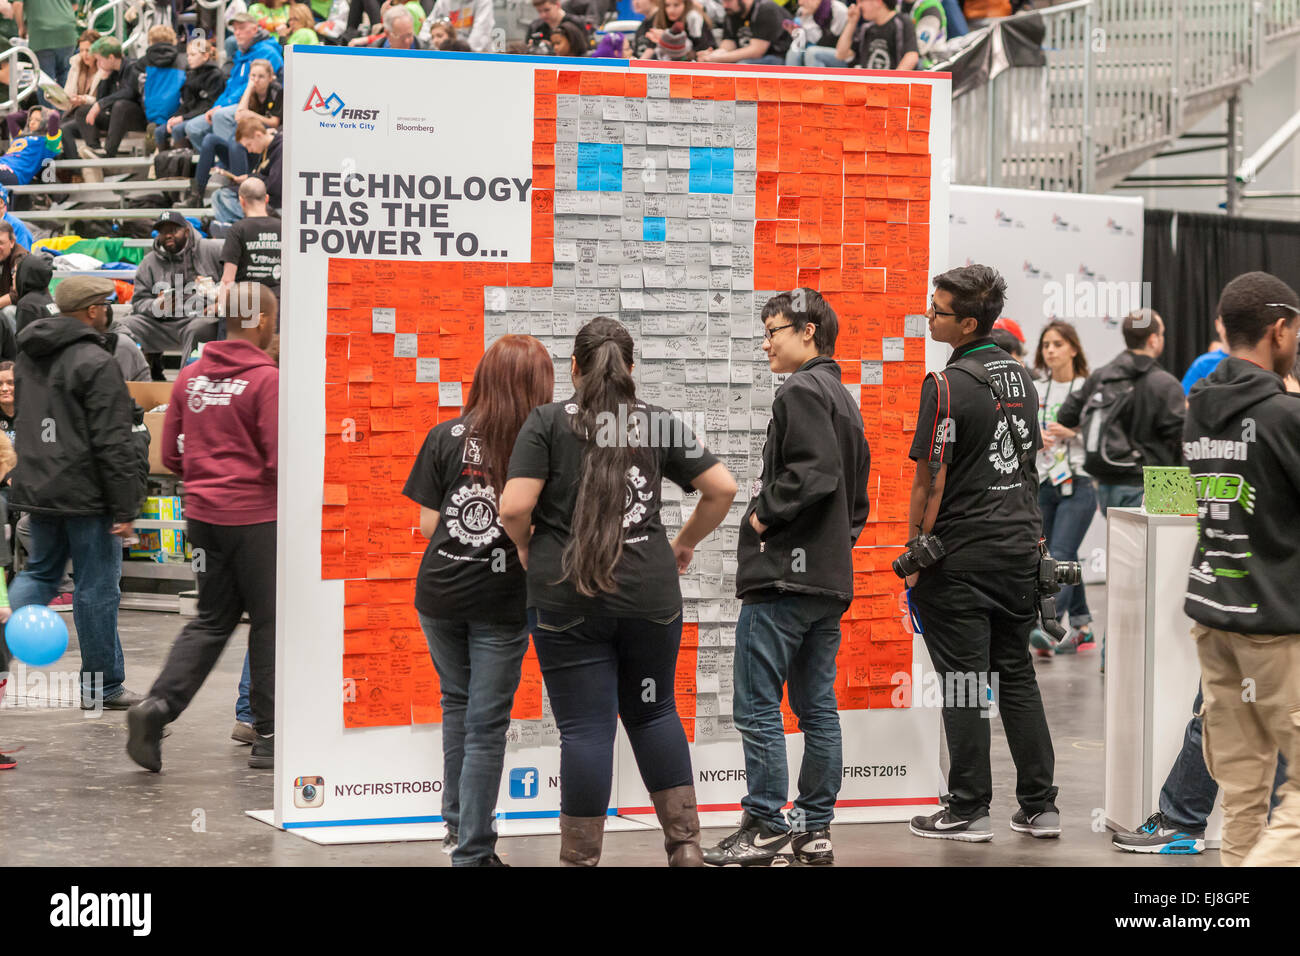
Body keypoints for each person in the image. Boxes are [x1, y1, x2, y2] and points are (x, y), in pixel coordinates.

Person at [500, 317, 738, 866]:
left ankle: (580, 860)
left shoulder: (545, 423)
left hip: (567, 599)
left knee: (585, 730)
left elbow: (513, 507)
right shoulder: (656, 423)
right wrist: (681, 544)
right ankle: (685, 849)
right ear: (631, 369)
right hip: (649, 600)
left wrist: (525, 546)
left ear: (576, 369)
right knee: (654, 714)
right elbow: (722, 489)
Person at [702, 290, 870, 867]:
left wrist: (761, 515)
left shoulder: (800, 389)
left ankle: (766, 824)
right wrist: (829, 551)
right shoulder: (844, 398)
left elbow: (814, 474)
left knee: (756, 705)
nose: (766, 342)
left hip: (782, 581)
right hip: (826, 582)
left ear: (808, 331)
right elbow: (857, 505)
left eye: (774, 330)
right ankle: (814, 828)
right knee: (816, 706)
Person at [903, 264, 1060, 843]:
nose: (930, 316)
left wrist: (914, 554)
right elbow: (1026, 466)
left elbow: (931, 479)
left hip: (960, 558)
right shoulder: (1021, 376)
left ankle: (968, 807)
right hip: (1019, 549)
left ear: (968, 322)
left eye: (939, 310)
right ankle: (1041, 807)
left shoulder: (944, 386)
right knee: (1015, 674)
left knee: (966, 682)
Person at [402, 335, 553, 866]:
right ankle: (473, 851)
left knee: (457, 706)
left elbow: (425, 524)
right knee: (486, 724)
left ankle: (455, 828)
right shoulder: (538, 444)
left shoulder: (445, 434)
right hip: (500, 600)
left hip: (438, 594)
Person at [127, 282, 280, 774]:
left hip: (202, 518)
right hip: (257, 520)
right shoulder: (266, 381)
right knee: (270, 624)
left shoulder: (189, 377)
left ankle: (157, 708)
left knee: (211, 619)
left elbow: (170, 455)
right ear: (260, 322)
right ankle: (269, 736)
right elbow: (280, 461)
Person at [1178, 271, 1300, 866]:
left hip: (1215, 615)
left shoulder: (1200, 409)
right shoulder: (1285, 416)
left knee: (1245, 794)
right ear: (1279, 330)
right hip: (1276, 624)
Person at [7, 276, 149, 710]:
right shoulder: (95, 360)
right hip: (90, 496)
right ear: (92, 311)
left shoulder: (27, 355)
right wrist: (126, 505)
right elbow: (113, 440)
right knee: (97, 588)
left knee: (39, 576)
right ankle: (102, 686)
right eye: (105, 304)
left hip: (40, 489)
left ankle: (0, 652)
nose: (107, 310)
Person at [1055, 309, 1185, 515]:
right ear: (1153, 340)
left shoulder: (1101, 376)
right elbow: (1181, 440)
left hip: (1107, 484)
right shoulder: (1165, 384)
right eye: (1161, 334)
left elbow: (1065, 416)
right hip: (1156, 484)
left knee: (1121, 547)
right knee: (1158, 547)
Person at [1027, 320, 1096, 656]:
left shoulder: (1088, 388)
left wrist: (1074, 434)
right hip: (1045, 483)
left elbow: (1102, 438)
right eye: (1045, 345)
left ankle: (1044, 626)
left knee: (1062, 555)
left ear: (1073, 348)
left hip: (1079, 482)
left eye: (1057, 343)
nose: (1050, 350)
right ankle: (1082, 624)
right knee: (1051, 555)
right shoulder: (1037, 388)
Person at [119, 210, 223, 378]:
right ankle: (140, 380)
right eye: (163, 231)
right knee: (123, 326)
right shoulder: (149, 262)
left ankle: (184, 388)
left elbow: (236, 278)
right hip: (162, 324)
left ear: (187, 231)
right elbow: (138, 302)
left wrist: (218, 297)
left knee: (200, 328)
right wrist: (156, 305)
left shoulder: (210, 249)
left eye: (173, 230)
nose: (167, 235)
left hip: (199, 319)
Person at [179, 13, 283, 159]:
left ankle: (235, 165)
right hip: (232, 103)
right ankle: (219, 164)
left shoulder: (268, 52)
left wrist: (221, 108)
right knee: (193, 128)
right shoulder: (240, 55)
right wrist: (215, 106)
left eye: (241, 28)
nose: (237, 33)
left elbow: (252, 85)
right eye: (235, 29)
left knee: (221, 116)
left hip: (253, 105)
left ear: (255, 29)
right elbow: (230, 87)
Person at [189, 58, 281, 207]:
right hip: (244, 150)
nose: (256, 80)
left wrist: (251, 115)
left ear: (270, 78)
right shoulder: (250, 92)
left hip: (261, 147)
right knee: (209, 140)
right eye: (253, 76)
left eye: (261, 76)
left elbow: (275, 122)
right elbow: (239, 115)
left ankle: (241, 193)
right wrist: (249, 88)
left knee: (235, 143)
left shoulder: (277, 90)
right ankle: (196, 195)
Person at [61, 37, 146, 160]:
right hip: (115, 118)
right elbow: (101, 98)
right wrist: (104, 79)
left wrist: (99, 104)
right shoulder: (111, 72)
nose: (98, 64)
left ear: (111, 57)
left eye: (100, 60)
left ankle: (109, 152)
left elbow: (130, 92)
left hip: (135, 117)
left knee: (120, 105)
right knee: (83, 111)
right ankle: (95, 149)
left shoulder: (132, 67)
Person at [219, 179, 282, 305]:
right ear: (267, 199)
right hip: (277, 306)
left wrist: (220, 306)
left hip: (246, 305)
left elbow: (228, 279)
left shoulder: (237, 230)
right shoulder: (283, 228)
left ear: (241, 201)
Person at [157, 37, 223, 153]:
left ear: (205, 56)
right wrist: (174, 118)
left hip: (204, 116)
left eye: (193, 55)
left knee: (178, 129)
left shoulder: (215, 75)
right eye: (187, 55)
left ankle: (185, 166)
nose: (189, 59)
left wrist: (183, 118)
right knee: (159, 131)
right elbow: (187, 103)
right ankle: (164, 164)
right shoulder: (190, 74)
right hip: (189, 115)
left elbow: (208, 106)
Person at [212, 116, 282, 223]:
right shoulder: (265, 150)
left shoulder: (280, 148)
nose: (249, 150)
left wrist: (250, 178)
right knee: (219, 195)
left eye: (249, 145)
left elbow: (274, 186)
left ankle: (241, 227)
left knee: (224, 196)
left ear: (258, 135)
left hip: (274, 203)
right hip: (263, 198)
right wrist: (249, 178)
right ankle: (234, 227)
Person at [697, 0, 791, 64]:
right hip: (750, 58)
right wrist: (711, 55)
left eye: (728, 1)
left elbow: (756, 51)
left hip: (777, 56)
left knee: (741, 67)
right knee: (723, 66)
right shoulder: (732, 13)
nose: (725, 6)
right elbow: (728, 45)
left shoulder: (765, 9)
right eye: (723, 1)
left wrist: (717, 58)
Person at [138, 24, 186, 149]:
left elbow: (137, 85)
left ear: (151, 40)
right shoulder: (183, 60)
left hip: (151, 108)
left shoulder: (142, 62)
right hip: (175, 107)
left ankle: (156, 131)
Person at [12, 0, 80, 86]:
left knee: (45, 80)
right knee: (66, 76)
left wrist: (21, 27)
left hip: (42, 33)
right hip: (67, 31)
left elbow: (17, 4)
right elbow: (75, 6)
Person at [836, 0, 919, 70]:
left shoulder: (902, 22)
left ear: (878, 2)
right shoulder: (866, 28)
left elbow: (911, 56)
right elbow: (841, 54)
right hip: (867, 84)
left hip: (891, 84)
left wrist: (893, 82)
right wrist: (851, 22)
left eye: (861, 1)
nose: (859, 6)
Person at [0, 110, 63, 193]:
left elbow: (54, 116)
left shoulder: (48, 142)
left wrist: (44, 110)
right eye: (30, 119)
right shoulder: (20, 136)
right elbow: (11, 118)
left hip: (14, 172)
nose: (32, 122)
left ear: (45, 121)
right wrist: (30, 112)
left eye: (37, 120)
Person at [786, 0, 851, 67]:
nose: (800, 3)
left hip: (840, 53)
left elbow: (830, 41)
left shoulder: (839, 10)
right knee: (794, 51)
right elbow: (809, 40)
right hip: (818, 47)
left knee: (812, 52)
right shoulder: (803, 11)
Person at [423, 0, 495, 52]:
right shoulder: (443, 2)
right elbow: (428, 25)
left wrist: (463, 55)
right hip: (449, 54)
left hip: (477, 56)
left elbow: (481, 30)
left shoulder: (483, 2)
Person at [1181, 320, 1228, 394]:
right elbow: (1185, 399)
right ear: (1218, 324)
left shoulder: (1250, 359)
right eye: (1226, 322)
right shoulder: (1204, 363)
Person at [12, 251, 54, 333]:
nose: (13, 276)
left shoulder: (27, 305)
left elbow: (25, 342)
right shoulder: (47, 298)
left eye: (15, 272)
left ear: (24, 274)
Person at [61, 28, 102, 110]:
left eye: (88, 50)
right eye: (81, 50)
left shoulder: (105, 70)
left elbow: (104, 101)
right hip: (75, 112)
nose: (84, 54)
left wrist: (85, 100)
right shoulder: (76, 64)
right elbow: (67, 96)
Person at [0, 223, 27, 317]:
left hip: (27, 310)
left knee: (8, 311)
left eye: (0, 243)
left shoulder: (21, 258)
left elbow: (17, 294)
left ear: (12, 242)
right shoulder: (3, 255)